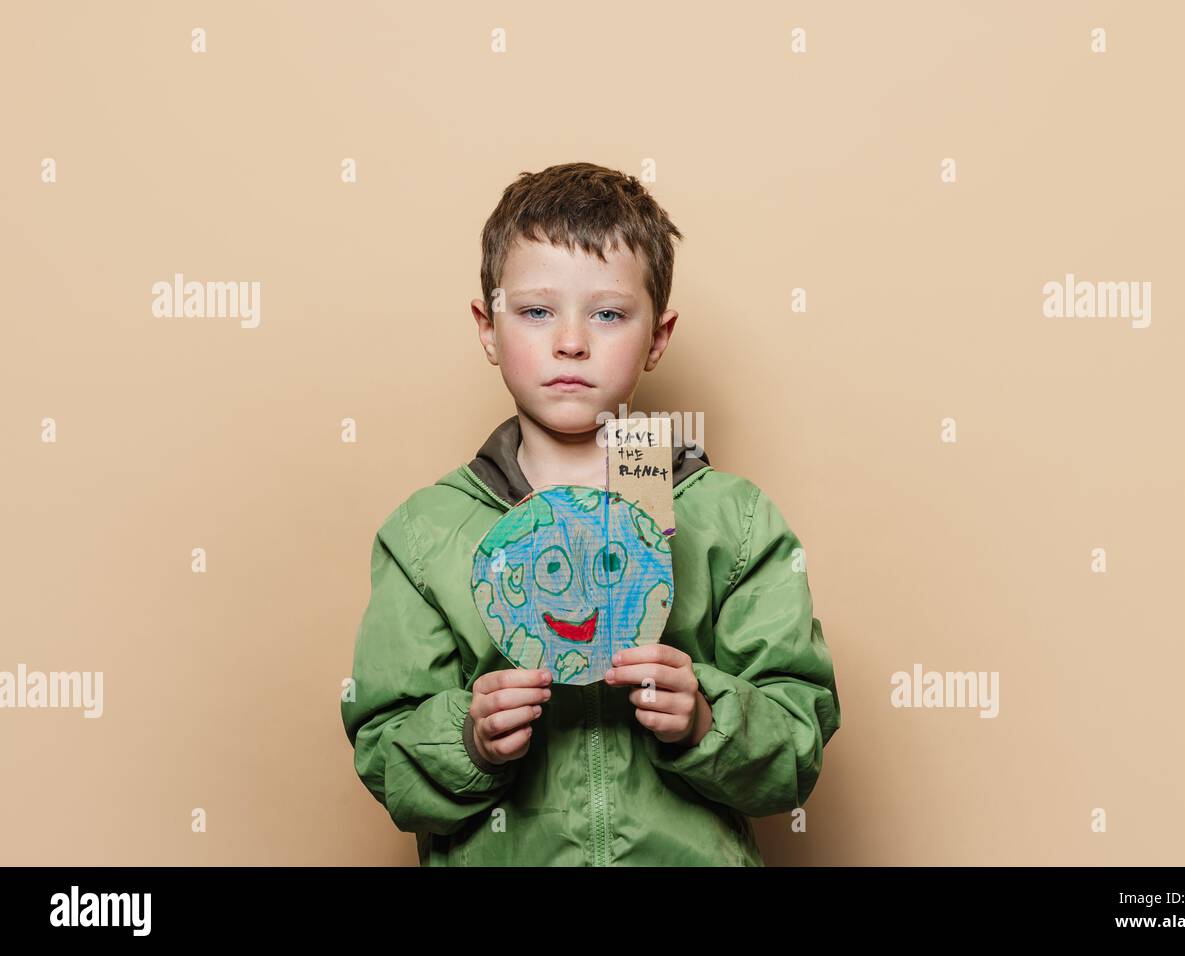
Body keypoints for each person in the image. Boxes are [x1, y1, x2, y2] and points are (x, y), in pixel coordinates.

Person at [341, 161, 841, 865]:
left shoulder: (734, 521)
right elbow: (383, 749)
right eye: (537, 311)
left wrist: (705, 718)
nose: (571, 341)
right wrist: (467, 738)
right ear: (488, 328)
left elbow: (798, 738)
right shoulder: (426, 535)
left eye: (607, 314)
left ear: (658, 338)